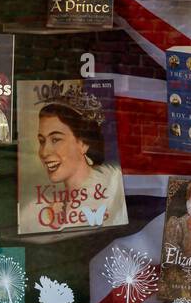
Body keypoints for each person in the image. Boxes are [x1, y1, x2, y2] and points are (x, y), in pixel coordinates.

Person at [20, 98, 127, 233]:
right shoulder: (34, 213)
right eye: (42, 141)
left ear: (83, 144)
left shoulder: (115, 192)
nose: (44, 152)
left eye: (56, 139)